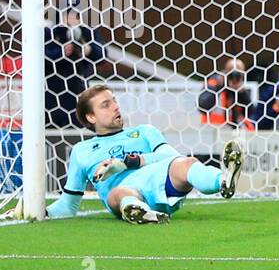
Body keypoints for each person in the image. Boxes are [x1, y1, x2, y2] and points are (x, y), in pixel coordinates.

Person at [45, 84, 243, 224]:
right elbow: (68, 205)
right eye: (106, 105)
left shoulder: (144, 131)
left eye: (114, 101)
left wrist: (129, 162)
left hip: (158, 181)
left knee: (186, 163)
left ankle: (223, 181)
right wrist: (40, 212)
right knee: (118, 193)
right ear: (91, 117)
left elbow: (170, 157)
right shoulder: (82, 151)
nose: (115, 106)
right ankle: (140, 212)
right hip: (125, 194)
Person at [44, 7, 105, 128]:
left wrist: (89, 50)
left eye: (75, 15)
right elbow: (40, 58)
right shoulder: (49, 32)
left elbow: (102, 55)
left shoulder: (87, 32)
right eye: (67, 15)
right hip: (51, 96)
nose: (71, 19)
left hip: (79, 93)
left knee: (78, 132)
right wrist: (62, 53)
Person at [198, 57, 255, 129]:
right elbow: (203, 107)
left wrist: (241, 93)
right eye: (231, 73)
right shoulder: (215, 82)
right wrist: (220, 86)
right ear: (225, 72)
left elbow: (250, 113)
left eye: (238, 74)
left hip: (233, 131)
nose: (234, 78)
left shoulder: (241, 89)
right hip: (213, 129)